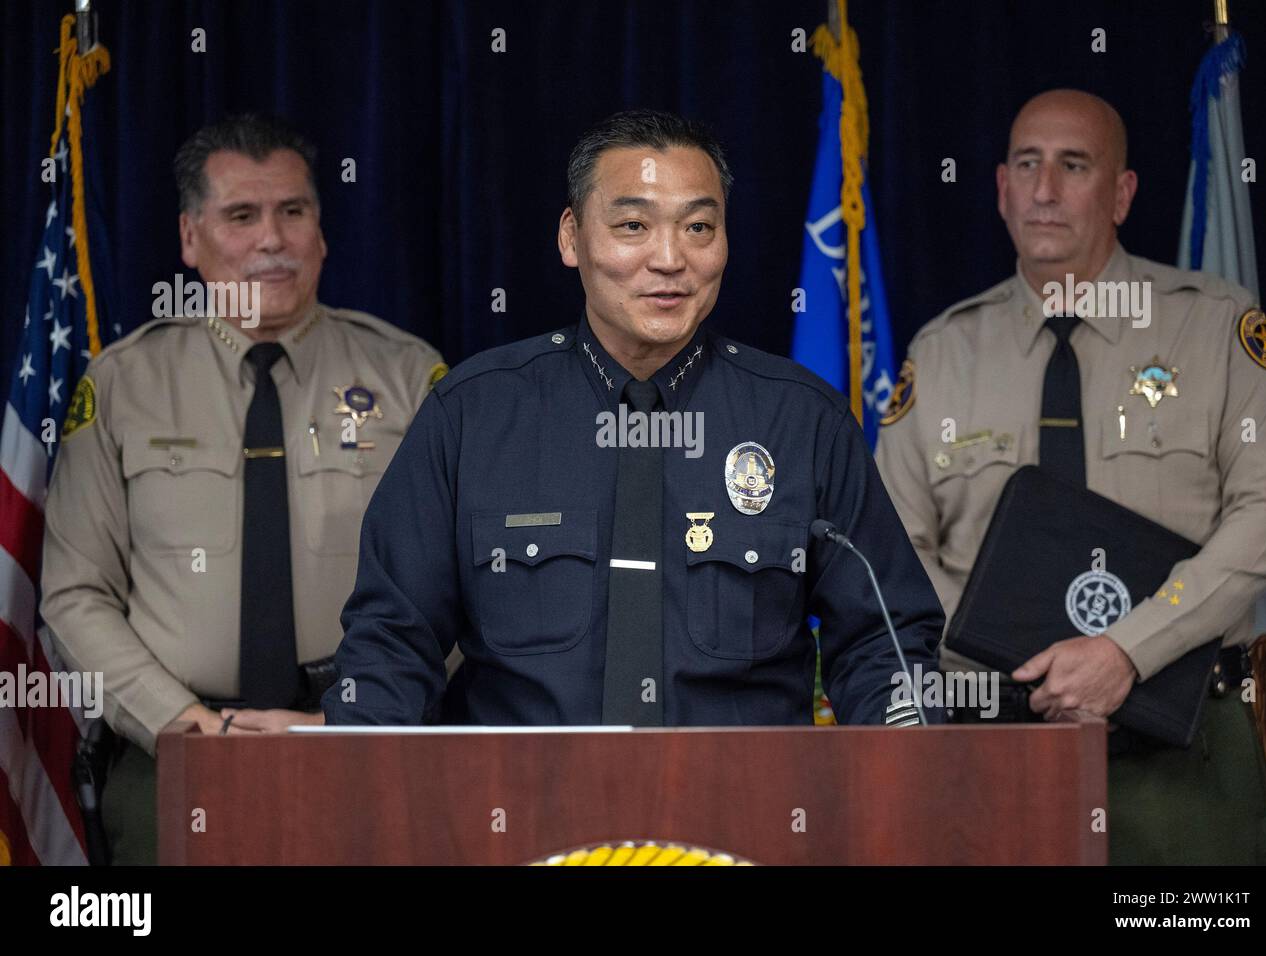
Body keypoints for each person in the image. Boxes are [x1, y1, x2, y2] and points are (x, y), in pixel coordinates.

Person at [323, 109, 944, 729]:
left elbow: (882, 645)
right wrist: (372, 788)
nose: (670, 258)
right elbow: (391, 644)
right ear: (572, 237)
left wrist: (899, 778)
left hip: (741, 810)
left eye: (699, 226)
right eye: (633, 225)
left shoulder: (803, 420)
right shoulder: (471, 415)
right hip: (526, 809)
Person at [874, 89, 1266, 864]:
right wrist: (1027, 668)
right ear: (1001, 188)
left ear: (1122, 193)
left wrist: (1126, 652)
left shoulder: (1215, 326)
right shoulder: (942, 354)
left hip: (1189, 761)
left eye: (1074, 166)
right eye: (1027, 166)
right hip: (996, 758)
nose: (1044, 190)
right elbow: (893, 549)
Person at [41, 113, 449, 864]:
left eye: (293, 212)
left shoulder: (408, 376)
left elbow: (458, 586)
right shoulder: (123, 385)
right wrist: (189, 724)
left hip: (360, 748)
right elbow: (74, 594)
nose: (272, 240)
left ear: (322, 233)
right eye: (241, 215)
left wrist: (361, 721)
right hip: (175, 754)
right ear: (190, 239)